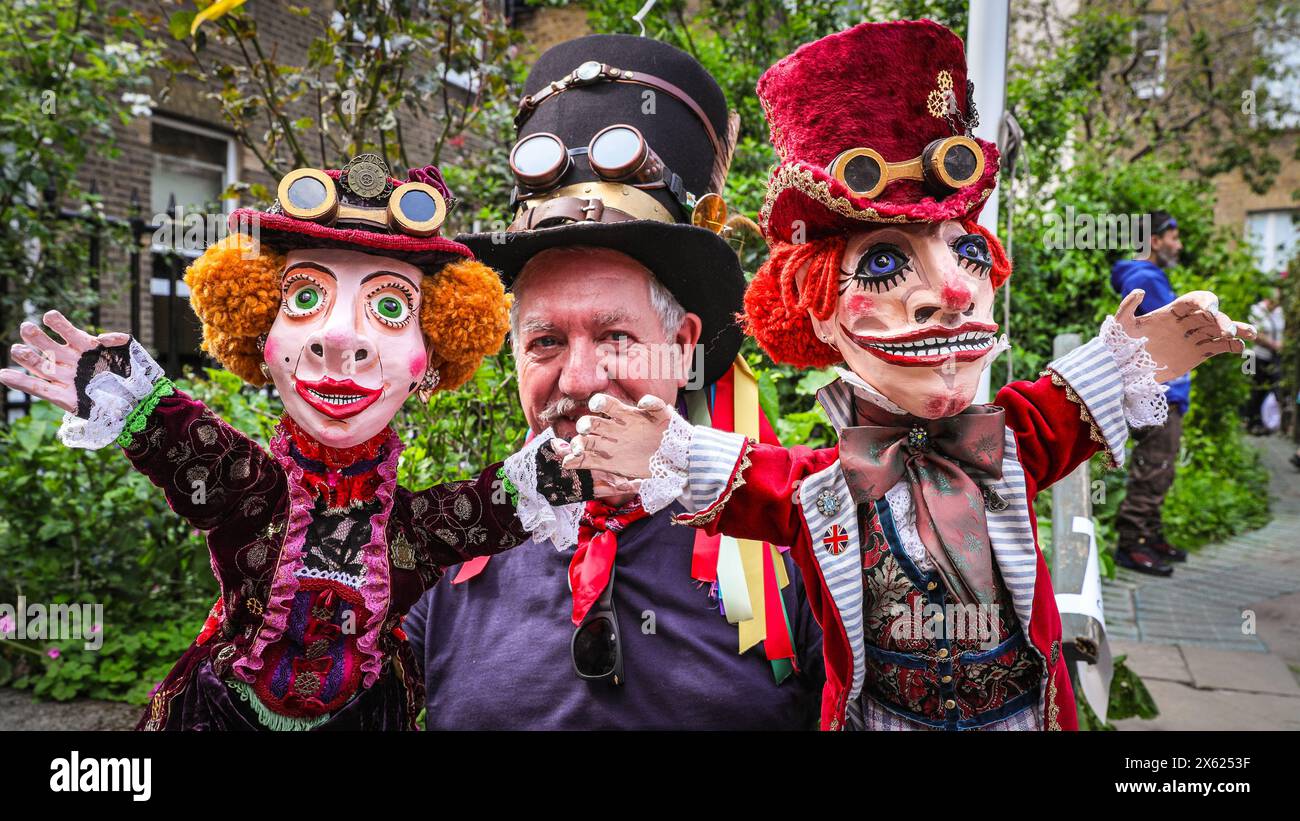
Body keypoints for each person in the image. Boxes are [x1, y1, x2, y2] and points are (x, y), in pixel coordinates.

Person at [561, 20, 1255, 731]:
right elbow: (751, 477)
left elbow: (1078, 396)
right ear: (820, 311)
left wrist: (1154, 346)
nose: (950, 291)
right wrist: (664, 449)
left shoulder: (1015, 441)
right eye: (887, 262)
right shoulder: (824, 486)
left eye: (969, 256)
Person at [0, 155, 582, 730]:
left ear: (428, 357)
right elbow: (184, 442)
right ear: (260, 334)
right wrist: (124, 394)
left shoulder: (416, 533)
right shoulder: (246, 491)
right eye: (304, 297)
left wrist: (599, 455)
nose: (341, 339)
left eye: (388, 307)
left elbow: (498, 503)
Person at [402, 34, 824, 730]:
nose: (579, 376)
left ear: (684, 345)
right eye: (544, 341)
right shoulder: (444, 551)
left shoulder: (792, 556)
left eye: (615, 337)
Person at [1110, 210, 1190, 575]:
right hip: (1161, 390)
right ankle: (1132, 544)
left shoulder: (1153, 277)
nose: (1178, 245)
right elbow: (1159, 335)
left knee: (1162, 467)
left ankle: (1150, 535)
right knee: (1154, 467)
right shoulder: (1145, 278)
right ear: (1154, 241)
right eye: (1173, 237)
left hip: (1167, 389)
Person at [1247, 282, 1285, 433]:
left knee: (1273, 388)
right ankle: (1252, 420)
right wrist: (1274, 345)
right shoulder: (1256, 310)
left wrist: (1281, 345)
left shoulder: (1279, 311)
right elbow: (1253, 334)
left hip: (1274, 358)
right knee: (1256, 387)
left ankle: (1267, 421)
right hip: (1255, 356)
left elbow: (1283, 330)